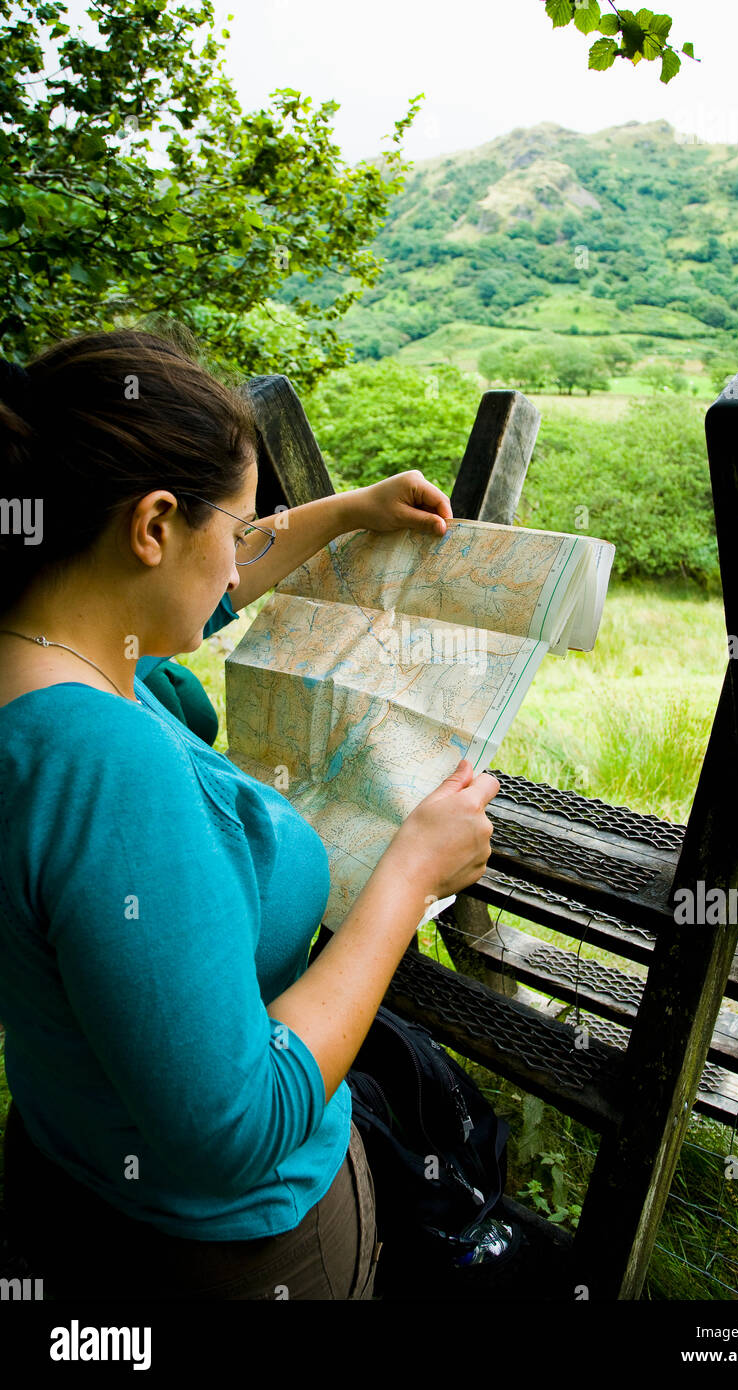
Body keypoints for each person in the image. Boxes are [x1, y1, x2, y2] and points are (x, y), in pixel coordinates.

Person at [0, 328, 499, 1301]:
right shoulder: (109, 766)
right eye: (233, 529)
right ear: (150, 526)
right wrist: (405, 880)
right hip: (225, 1253)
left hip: (73, 1175)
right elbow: (234, 1129)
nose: (239, 565)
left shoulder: (43, 647)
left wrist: (344, 512)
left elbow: (195, 603)